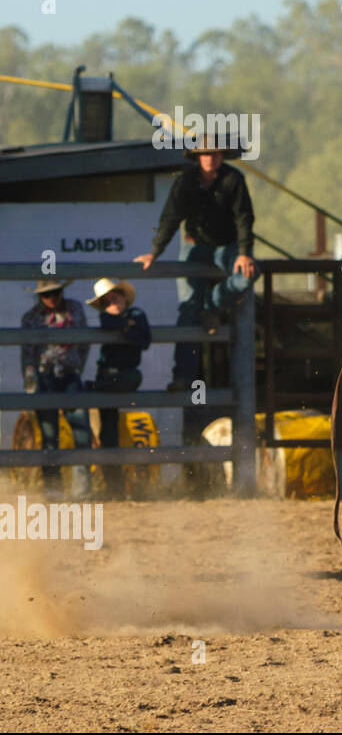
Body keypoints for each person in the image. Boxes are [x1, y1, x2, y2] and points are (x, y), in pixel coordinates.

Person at [134, 131, 256, 389]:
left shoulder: (233, 179)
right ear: (198, 157)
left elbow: (244, 217)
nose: (211, 158)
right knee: (188, 310)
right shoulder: (185, 181)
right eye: (206, 154)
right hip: (193, 246)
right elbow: (170, 218)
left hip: (227, 246)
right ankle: (183, 377)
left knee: (248, 274)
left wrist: (244, 252)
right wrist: (155, 252)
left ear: (222, 156)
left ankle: (210, 305)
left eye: (215, 153)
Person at [20, 279, 92, 497]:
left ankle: (81, 492)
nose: (52, 298)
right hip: (45, 378)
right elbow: (28, 357)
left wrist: (78, 367)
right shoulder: (31, 317)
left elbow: (84, 344)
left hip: (69, 376)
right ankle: (54, 491)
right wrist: (32, 388)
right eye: (47, 294)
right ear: (40, 297)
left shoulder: (75, 308)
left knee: (81, 433)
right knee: (50, 436)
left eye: (56, 293)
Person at [85, 277, 152, 498]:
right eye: (107, 301)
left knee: (108, 425)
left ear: (124, 297)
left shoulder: (137, 314)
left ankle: (115, 487)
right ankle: (115, 487)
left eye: (115, 297)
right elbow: (112, 324)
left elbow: (144, 339)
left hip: (120, 377)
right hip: (110, 376)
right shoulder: (126, 318)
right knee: (108, 432)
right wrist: (128, 328)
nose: (112, 303)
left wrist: (124, 326)